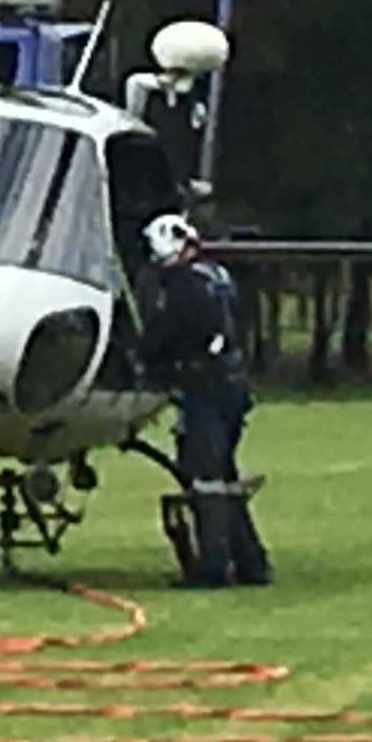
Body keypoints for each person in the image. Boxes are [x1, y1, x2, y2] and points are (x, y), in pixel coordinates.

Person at [133, 213, 270, 588]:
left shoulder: (184, 285)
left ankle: (213, 565)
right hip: (233, 386)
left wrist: (145, 358)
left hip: (206, 389)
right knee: (224, 474)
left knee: (205, 476)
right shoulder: (218, 277)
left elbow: (168, 332)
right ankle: (251, 561)